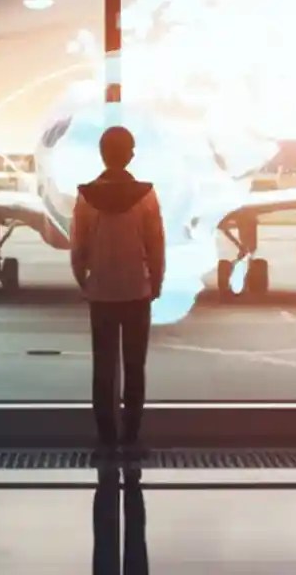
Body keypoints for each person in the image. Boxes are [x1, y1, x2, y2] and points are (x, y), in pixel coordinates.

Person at [71, 126, 165, 456]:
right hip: (136, 290)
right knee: (135, 366)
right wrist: (157, 279)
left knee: (104, 366)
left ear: (102, 154)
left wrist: (84, 279)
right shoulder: (146, 195)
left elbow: (78, 245)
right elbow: (155, 242)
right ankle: (132, 434)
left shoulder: (86, 196)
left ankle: (106, 434)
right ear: (129, 155)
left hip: (102, 292)